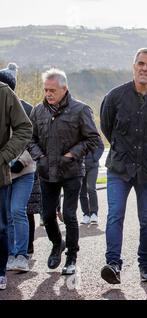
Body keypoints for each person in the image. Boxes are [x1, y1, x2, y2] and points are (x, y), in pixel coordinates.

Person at [100, 48, 147, 284]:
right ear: (133, 66)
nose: (144, 68)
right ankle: (113, 264)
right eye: (140, 63)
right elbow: (106, 128)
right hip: (119, 168)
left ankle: (146, 264)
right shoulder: (114, 97)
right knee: (115, 216)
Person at [29, 68, 100, 276]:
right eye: (45, 90)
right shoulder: (37, 111)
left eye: (52, 90)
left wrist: (72, 154)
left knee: (69, 215)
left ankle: (71, 257)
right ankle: (57, 244)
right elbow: (30, 139)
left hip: (71, 171)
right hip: (46, 171)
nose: (48, 94)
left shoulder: (80, 110)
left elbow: (93, 139)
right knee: (48, 215)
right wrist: (39, 157)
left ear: (64, 89)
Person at [0, 64, 35, 273]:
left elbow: (30, 138)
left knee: (16, 211)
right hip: (6, 171)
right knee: (8, 216)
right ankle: (12, 252)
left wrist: (11, 158)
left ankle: (21, 254)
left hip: (22, 171)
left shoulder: (26, 108)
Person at [80, 138, 104, 225]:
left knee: (91, 188)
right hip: (80, 167)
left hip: (92, 166)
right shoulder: (76, 130)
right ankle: (86, 214)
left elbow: (101, 146)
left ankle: (94, 213)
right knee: (82, 192)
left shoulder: (92, 131)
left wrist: (95, 157)